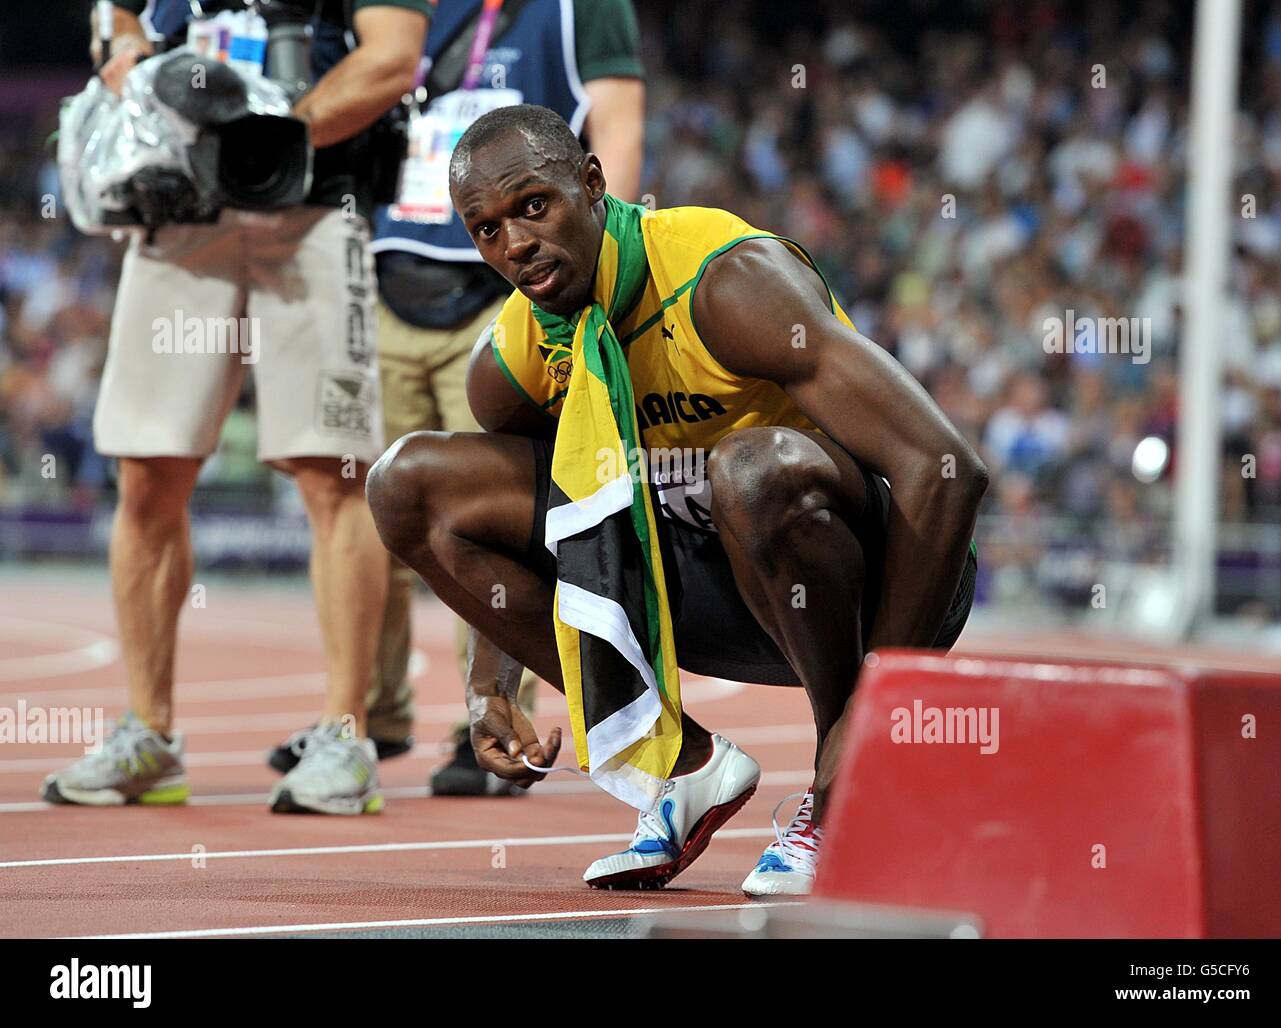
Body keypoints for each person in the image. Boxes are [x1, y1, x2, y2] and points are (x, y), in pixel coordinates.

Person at [366, 104, 986, 896]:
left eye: (533, 206)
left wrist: (878, 706)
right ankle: (687, 767)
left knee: (751, 469)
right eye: (486, 230)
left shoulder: (724, 282)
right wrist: (493, 680)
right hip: (709, 589)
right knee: (406, 483)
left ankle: (845, 780)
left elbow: (945, 467)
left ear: (591, 183)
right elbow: (543, 507)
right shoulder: (526, 351)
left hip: (884, 577)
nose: (516, 244)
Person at [42, 0, 432, 816]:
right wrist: (123, 44)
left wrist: (275, 130)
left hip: (317, 205)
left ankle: (344, 736)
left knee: (332, 473)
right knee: (146, 470)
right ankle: (149, 735)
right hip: (180, 213)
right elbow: (117, 18)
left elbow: (392, 59)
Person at [266, 0, 645, 798]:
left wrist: (595, 269)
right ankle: (365, 720)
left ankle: (489, 722)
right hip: (385, 271)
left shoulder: (581, 8)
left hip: (499, 291)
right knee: (366, 509)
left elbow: (615, 125)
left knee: (484, 516)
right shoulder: (403, 12)